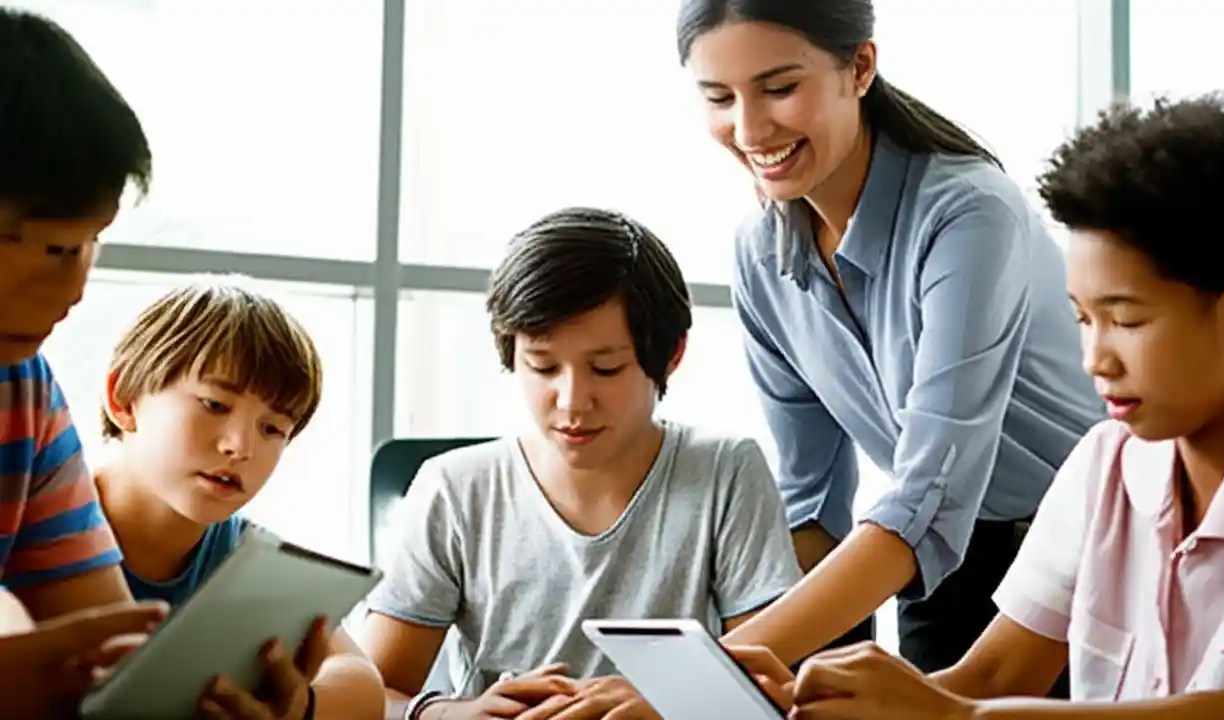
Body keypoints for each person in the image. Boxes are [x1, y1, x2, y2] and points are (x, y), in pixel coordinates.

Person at [733, 93, 1224, 718]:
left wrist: (960, 717)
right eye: (1082, 319)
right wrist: (838, 702)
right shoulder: (1100, 467)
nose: (1096, 360)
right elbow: (994, 672)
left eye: (1126, 321)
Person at [675, 0, 1104, 673]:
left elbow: (928, 489)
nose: (749, 127)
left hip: (1086, 553)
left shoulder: (968, 213)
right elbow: (812, 507)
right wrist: (736, 666)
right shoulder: (762, 256)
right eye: (718, 97)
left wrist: (709, 669)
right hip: (931, 563)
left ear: (861, 67)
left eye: (780, 88)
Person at [359, 207, 802, 719]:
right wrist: (453, 714)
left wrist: (673, 704)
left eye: (606, 369)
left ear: (671, 355)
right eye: (542, 366)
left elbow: (771, 686)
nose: (572, 401)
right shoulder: (455, 488)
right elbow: (370, 697)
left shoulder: (725, 472)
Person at [94, 277, 386, 719]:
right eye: (214, 405)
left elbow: (362, 684)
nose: (240, 447)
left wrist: (300, 706)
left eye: (273, 429)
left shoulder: (249, 559)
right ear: (125, 400)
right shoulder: (44, 518)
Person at [0, 9, 168, 718]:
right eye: (53, 249)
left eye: (90, 245)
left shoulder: (23, 389)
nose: (74, 290)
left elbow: (105, 644)